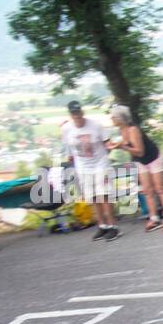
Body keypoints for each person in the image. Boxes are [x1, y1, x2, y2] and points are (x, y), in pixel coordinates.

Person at [110, 105, 163, 231]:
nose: (111, 118)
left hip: (153, 157)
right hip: (140, 161)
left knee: (160, 187)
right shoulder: (122, 130)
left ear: (120, 118)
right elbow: (128, 145)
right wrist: (118, 145)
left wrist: (122, 147)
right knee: (147, 190)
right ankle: (154, 218)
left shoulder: (133, 129)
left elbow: (139, 151)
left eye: (113, 116)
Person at [61, 102, 119, 240]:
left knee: (104, 195)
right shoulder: (66, 129)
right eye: (74, 114)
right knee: (93, 197)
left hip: (100, 163)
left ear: (82, 112)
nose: (78, 116)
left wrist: (111, 147)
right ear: (71, 115)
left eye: (79, 112)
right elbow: (69, 149)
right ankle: (102, 226)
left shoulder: (95, 125)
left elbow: (107, 143)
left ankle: (113, 226)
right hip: (82, 166)